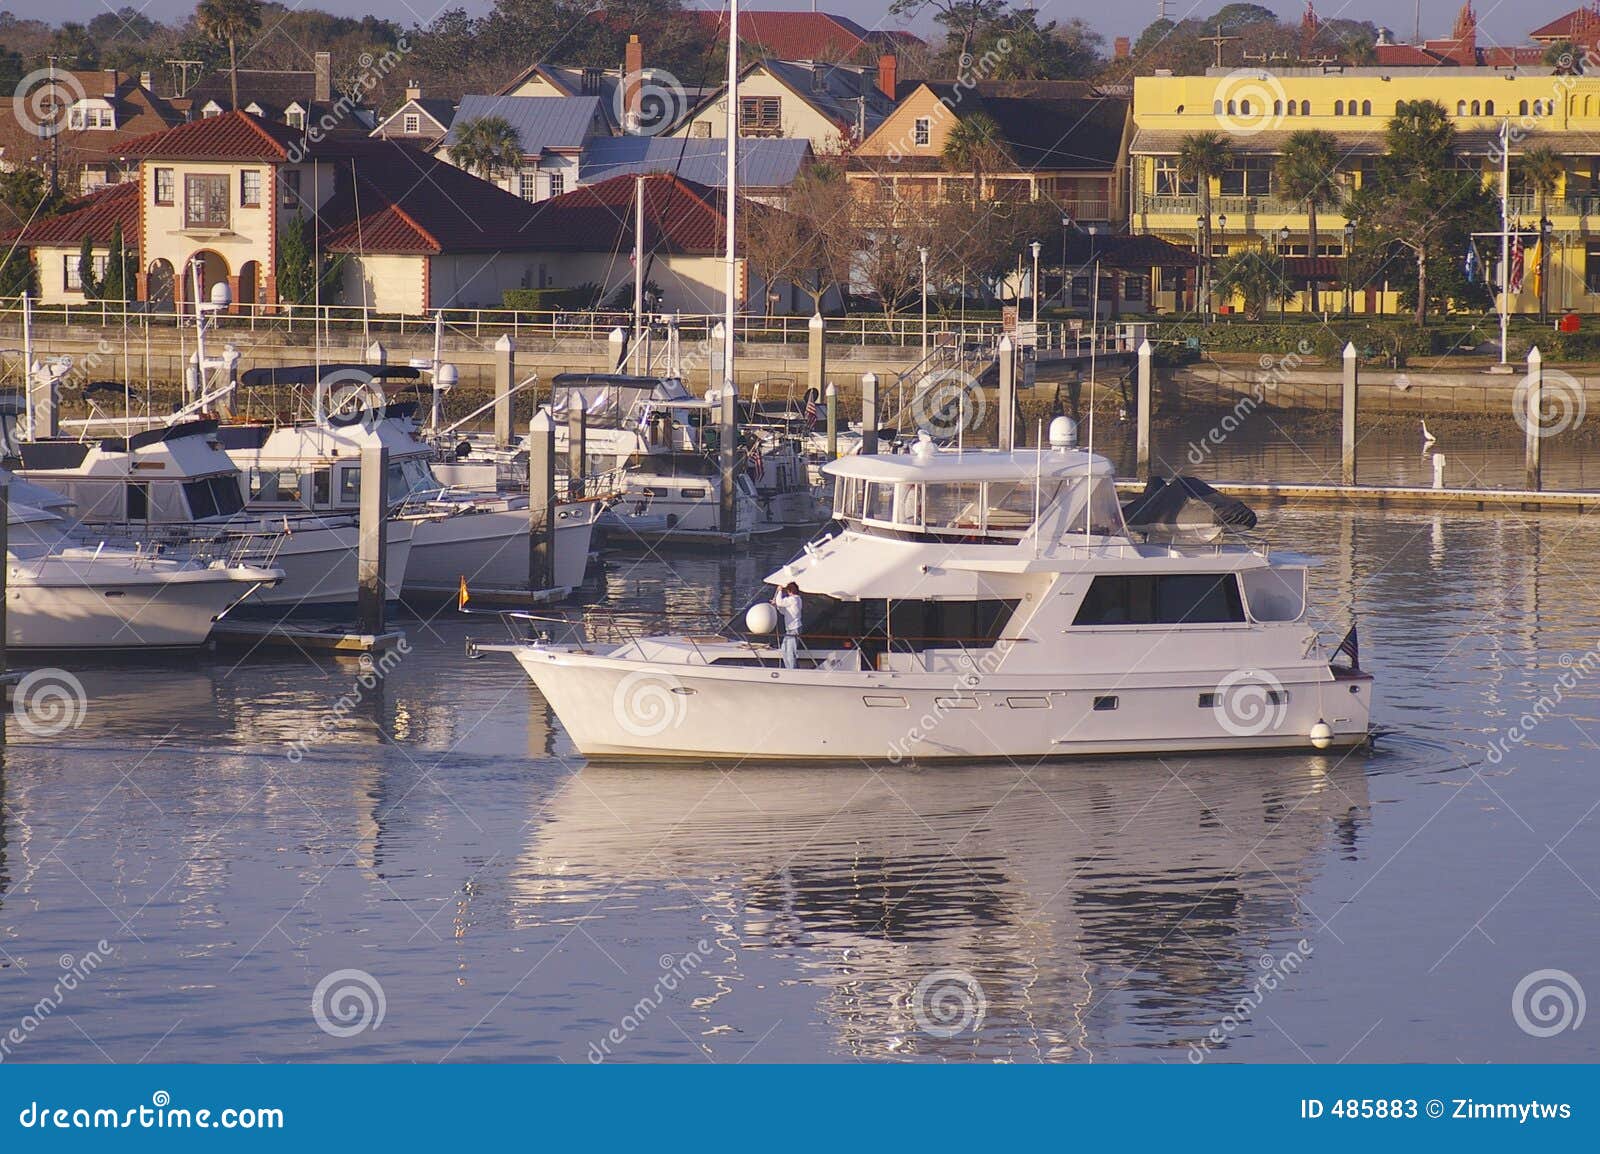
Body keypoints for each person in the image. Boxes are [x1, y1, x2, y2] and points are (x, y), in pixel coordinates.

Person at [773, 582, 803, 669]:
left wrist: (779, 591)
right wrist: (777, 606)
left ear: (789, 591)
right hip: (790, 629)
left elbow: (780, 602)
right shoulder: (794, 600)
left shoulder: (794, 599)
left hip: (794, 629)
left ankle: (792, 670)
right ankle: (789, 668)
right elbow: (784, 611)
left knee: (790, 652)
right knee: (784, 649)